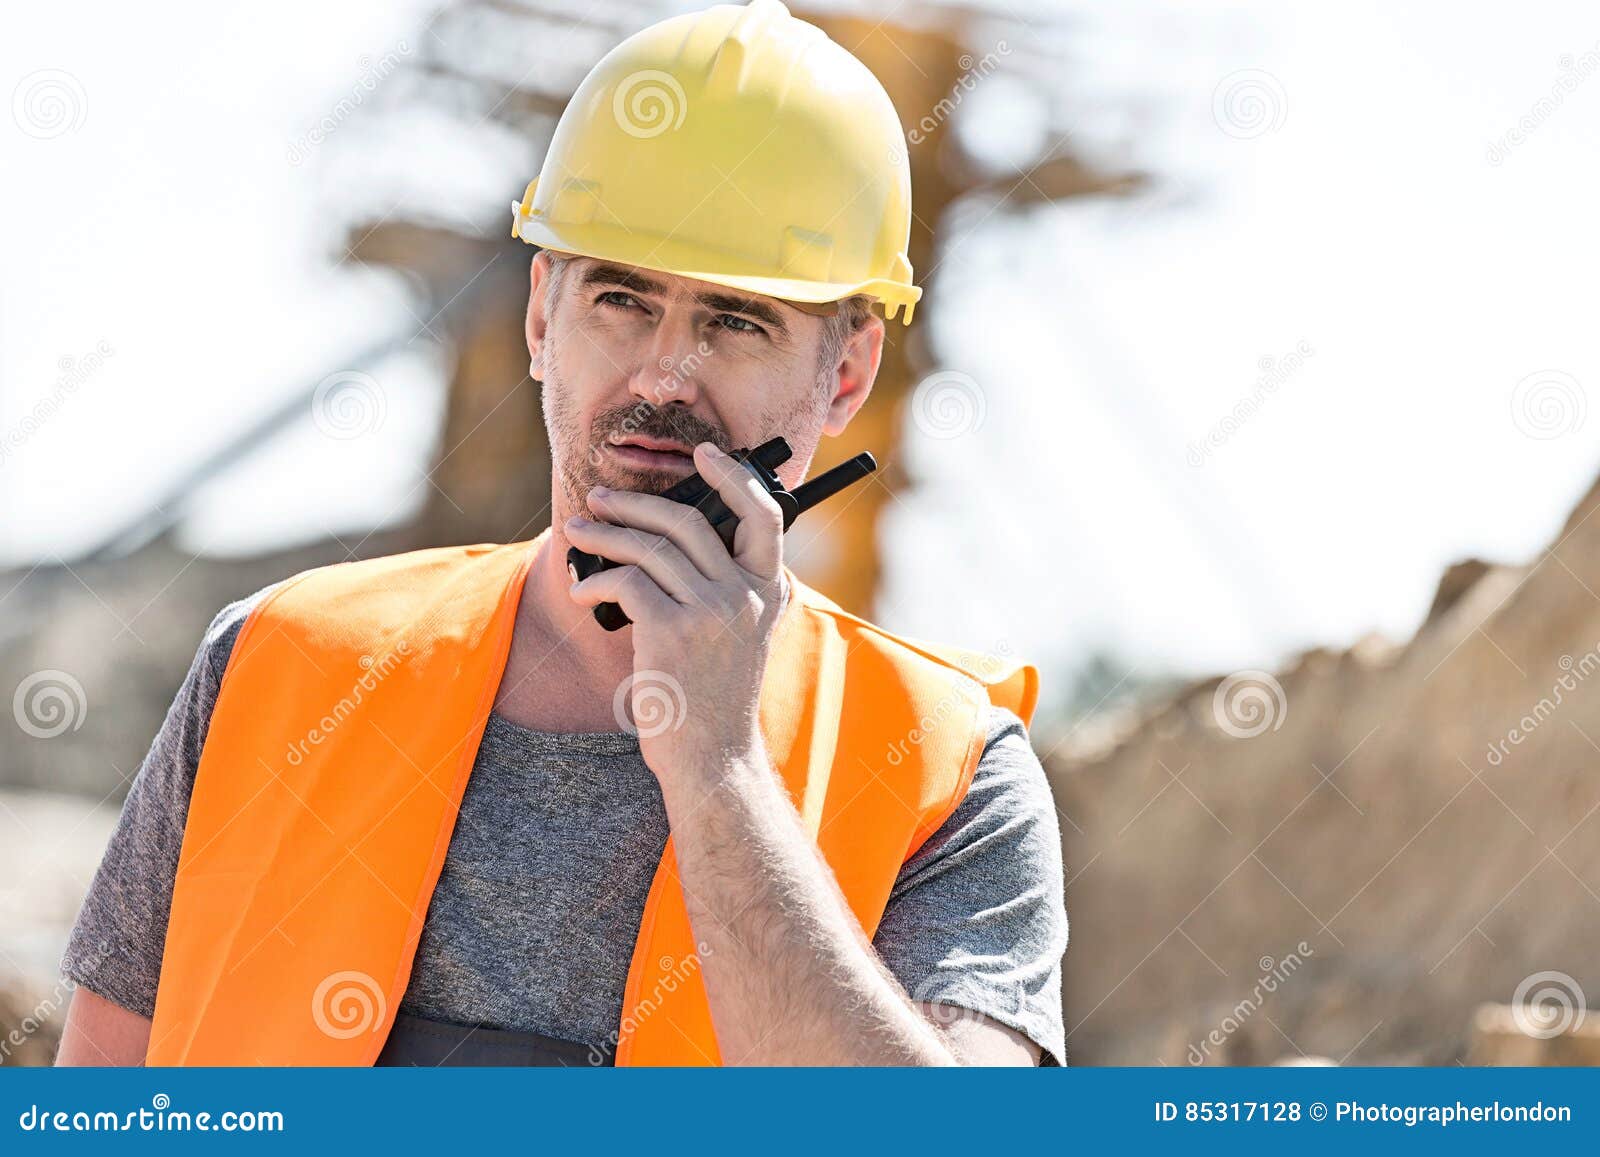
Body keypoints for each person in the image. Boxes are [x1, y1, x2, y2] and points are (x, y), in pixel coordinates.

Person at [55, 0, 1067, 1067]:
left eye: (734, 319)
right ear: (543, 316)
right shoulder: (274, 665)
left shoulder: (944, 776)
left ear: (847, 374)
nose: (662, 377)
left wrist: (717, 766)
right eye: (622, 299)